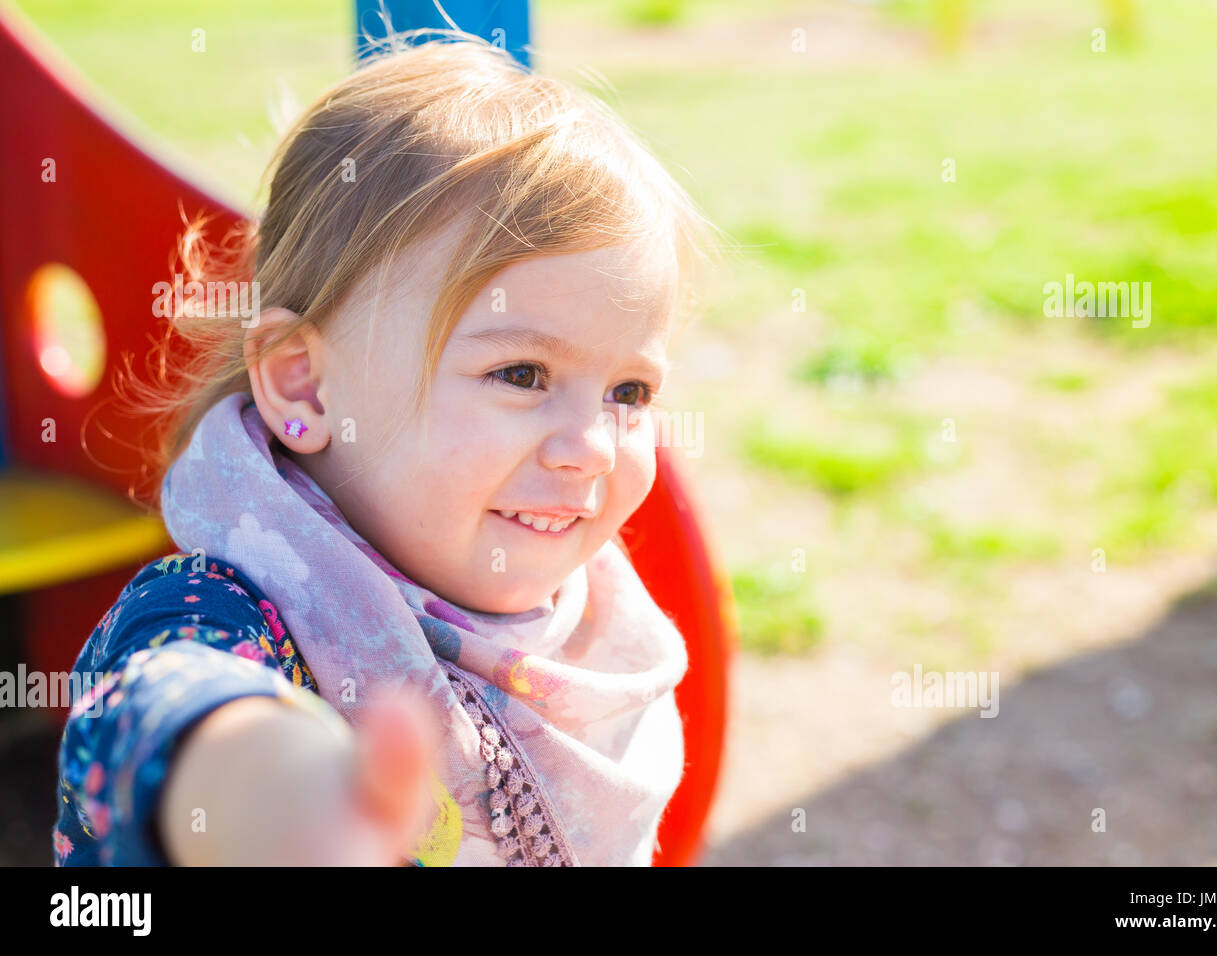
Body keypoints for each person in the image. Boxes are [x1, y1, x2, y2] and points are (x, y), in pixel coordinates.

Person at [52, 29, 725, 867]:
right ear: (304, 386)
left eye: (629, 393)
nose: (589, 446)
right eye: (521, 373)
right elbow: (172, 704)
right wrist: (291, 799)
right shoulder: (228, 606)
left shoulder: (592, 622)